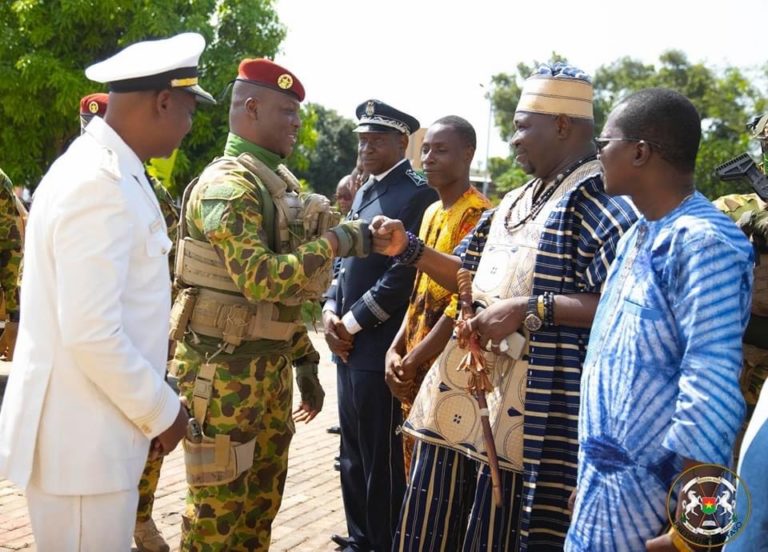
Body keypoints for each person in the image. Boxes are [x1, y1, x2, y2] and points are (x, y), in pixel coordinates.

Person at [372, 63, 638, 551]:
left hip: (534, 419)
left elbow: (621, 302)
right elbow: (466, 273)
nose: (514, 139)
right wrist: (407, 248)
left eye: (521, 126)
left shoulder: (602, 202)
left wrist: (529, 308)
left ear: (562, 125)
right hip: (467, 405)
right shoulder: (515, 200)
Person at [0, 32, 214, 551]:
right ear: (162, 101)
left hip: (93, 439)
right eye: (188, 110)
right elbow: (91, 332)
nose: (189, 126)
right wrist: (162, 410)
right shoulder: (97, 182)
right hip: (81, 449)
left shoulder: (115, 171)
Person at [170, 58, 370, 551]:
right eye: (287, 111)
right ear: (252, 108)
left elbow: (280, 301)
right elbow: (260, 280)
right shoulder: (227, 187)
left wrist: (303, 360)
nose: (297, 123)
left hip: (267, 378)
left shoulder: (275, 185)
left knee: (257, 517)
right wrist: (338, 241)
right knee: (216, 520)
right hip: (222, 380)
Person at [565, 88, 754, 551]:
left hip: (656, 512)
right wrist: (591, 480)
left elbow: (710, 385)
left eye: (604, 143)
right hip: (609, 495)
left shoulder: (703, 242)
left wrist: (696, 527)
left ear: (640, 152)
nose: (598, 155)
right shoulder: (639, 233)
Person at [323, 99, 438, 552]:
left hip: (377, 346)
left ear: (401, 142)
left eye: (376, 140)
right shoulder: (364, 190)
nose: (365, 148)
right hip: (346, 346)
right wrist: (329, 311)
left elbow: (401, 276)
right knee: (351, 452)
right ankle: (360, 538)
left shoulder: (417, 193)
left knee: (381, 459)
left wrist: (349, 324)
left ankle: (384, 541)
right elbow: (343, 262)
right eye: (362, 140)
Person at [79, 91, 180, 552]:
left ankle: (140, 515)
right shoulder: (82, 180)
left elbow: (172, 259)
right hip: (97, 343)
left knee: (143, 433)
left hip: (143, 334)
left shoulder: (146, 187)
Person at [384, 115, 491, 475]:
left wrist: (414, 359)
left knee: (434, 480)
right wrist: (395, 349)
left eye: (440, 150)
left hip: (443, 373)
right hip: (413, 368)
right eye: (426, 149)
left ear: (468, 153)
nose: (428, 158)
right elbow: (419, 294)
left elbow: (460, 303)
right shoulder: (431, 211)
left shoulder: (477, 213)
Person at [0, 168, 25, 361]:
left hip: (6, 242)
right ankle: (12, 349)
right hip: (12, 242)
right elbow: (21, 210)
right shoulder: (3, 177)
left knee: (13, 298)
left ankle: (13, 346)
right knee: (13, 298)